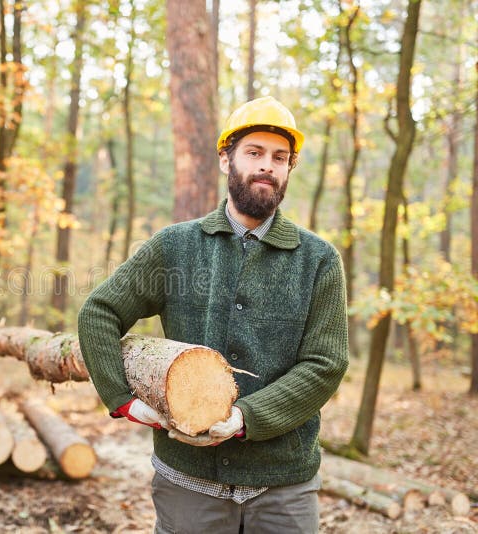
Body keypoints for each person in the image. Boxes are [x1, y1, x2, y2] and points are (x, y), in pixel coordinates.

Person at [77, 96, 348, 533]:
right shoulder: (176, 246)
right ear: (226, 159)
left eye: (280, 158)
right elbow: (99, 313)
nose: (268, 166)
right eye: (254, 153)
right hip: (188, 479)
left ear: (289, 169)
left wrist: (246, 418)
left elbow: (326, 364)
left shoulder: (318, 260)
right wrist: (121, 400)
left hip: (283, 485)